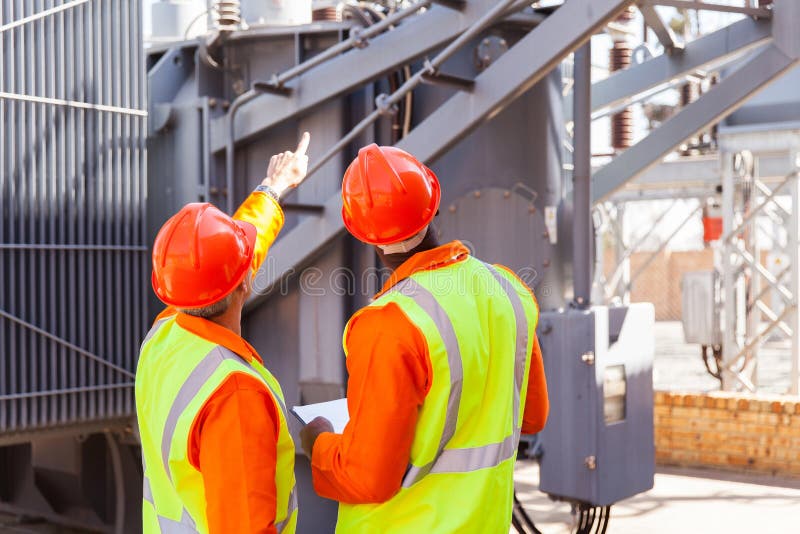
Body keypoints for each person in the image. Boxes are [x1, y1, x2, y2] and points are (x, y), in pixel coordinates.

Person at [299, 144, 549, 533]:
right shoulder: (510, 288)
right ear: (432, 208)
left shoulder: (389, 323)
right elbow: (532, 416)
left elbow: (368, 477)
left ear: (364, 234)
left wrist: (318, 442)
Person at [136, 133, 311, 534]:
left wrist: (274, 188)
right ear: (245, 284)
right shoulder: (234, 395)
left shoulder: (165, 333)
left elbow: (218, 266)